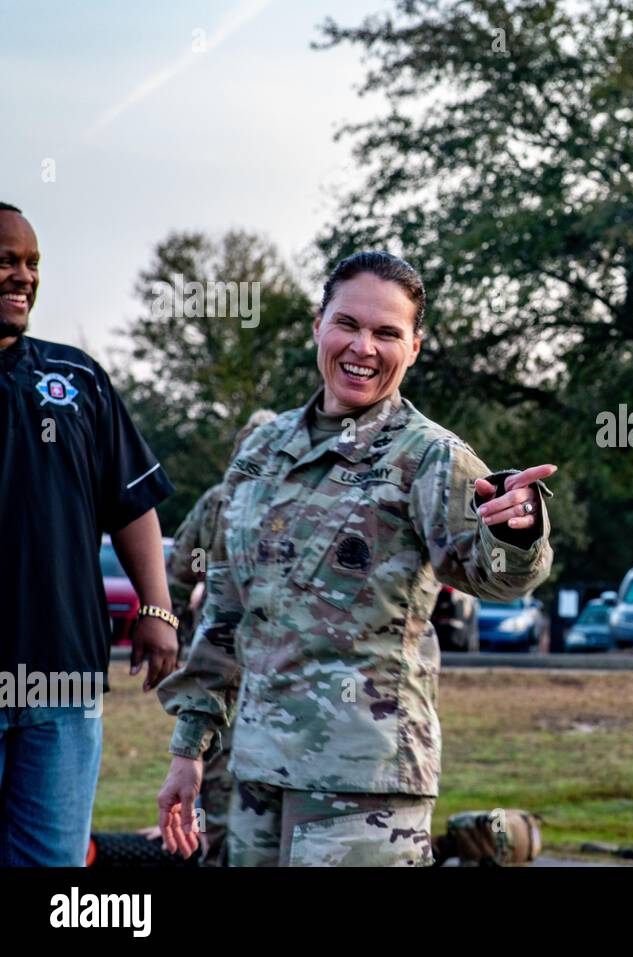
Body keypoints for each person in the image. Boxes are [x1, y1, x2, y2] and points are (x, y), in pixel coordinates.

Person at [155, 251, 555, 866]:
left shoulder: (430, 457)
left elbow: (487, 573)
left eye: (387, 333)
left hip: (365, 781)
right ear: (318, 325)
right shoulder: (261, 451)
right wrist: (190, 749)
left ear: (414, 347)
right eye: (348, 324)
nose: (363, 347)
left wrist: (519, 532)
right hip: (256, 771)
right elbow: (227, 618)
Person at [0, 201, 178, 866]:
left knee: (53, 865)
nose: (23, 277)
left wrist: (156, 608)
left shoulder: (75, 379)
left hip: (62, 682)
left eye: (32, 263)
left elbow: (130, 501)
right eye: (6, 260)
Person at [164, 407, 276, 866]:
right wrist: (181, 636)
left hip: (262, 673)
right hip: (230, 669)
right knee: (216, 785)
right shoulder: (220, 504)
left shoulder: (229, 500)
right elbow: (178, 577)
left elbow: (177, 578)